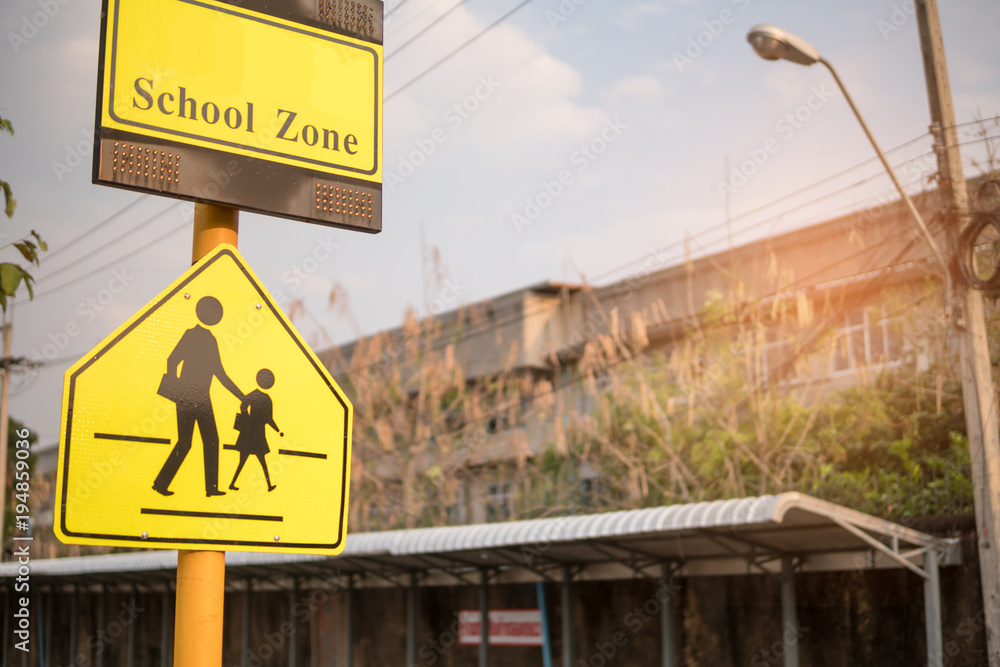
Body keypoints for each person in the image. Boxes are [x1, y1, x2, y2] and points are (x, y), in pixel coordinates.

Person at [153, 296, 244, 497]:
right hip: (187, 397)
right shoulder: (190, 335)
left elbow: (220, 373)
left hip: (203, 398)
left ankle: (211, 488)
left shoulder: (211, 340)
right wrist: (177, 390)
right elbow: (172, 361)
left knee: (211, 441)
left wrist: (242, 397)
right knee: (186, 443)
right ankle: (160, 483)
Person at [229, 368, 282, 492]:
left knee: (256, 461)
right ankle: (233, 483)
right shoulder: (260, 396)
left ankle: (267, 485)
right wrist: (247, 419)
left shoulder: (264, 397)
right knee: (251, 461)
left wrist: (278, 430)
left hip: (256, 432)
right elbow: (243, 406)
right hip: (252, 432)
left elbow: (269, 418)